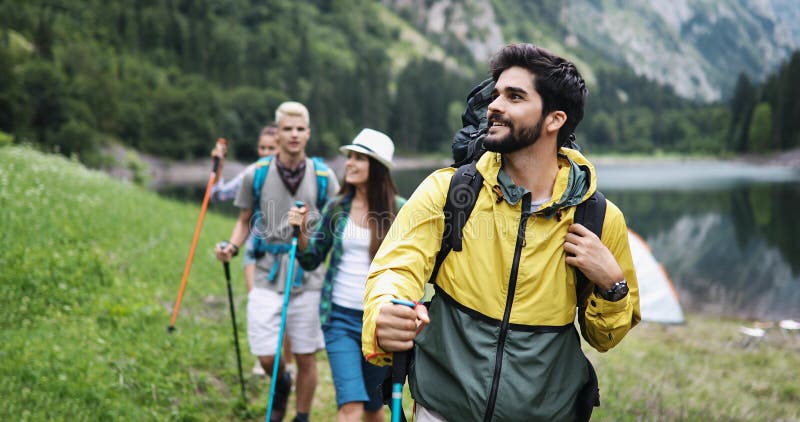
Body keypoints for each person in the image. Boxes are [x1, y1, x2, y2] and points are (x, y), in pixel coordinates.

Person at [361, 43, 641, 421]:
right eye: (496, 95)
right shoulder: (451, 191)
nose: (494, 105)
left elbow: (603, 338)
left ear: (554, 119)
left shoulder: (598, 217)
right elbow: (395, 268)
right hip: (442, 409)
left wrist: (613, 286)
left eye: (514, 96)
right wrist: (385, 309)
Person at [215, 101, 339, 422]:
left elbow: (333, 230)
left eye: (300, 129)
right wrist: (232, 245)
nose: (294, 135)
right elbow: (244, 220)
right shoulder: (256, 174)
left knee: (305, 355)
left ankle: (301, 415)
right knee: (266, 353)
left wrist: (307, 232)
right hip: (267, 272)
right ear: (278, 132)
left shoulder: (324, 176)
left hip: (308, 275)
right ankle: (281, 381)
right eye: (287, 129)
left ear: (308, 134)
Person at [288, 129, 404, 422]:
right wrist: (300, 232)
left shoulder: (401, 211)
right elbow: (311, 259)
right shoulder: (336, 208)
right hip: (338, 317)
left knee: (373, 408)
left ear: (376, 167)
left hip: (379, 323)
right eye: (349, 157)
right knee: (350, 407)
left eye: (358, 158)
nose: (349, 164)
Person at [210, 124, 296, 377]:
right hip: (253, 250)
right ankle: (266, 356)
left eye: (272, 148)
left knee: (286, 309)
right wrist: (218, 164)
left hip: (284, 251)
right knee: (259, 302)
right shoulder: (252, 173)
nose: (266, 152)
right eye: (262, 147)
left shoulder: (292, 175)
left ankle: (287, 363)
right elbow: (218, 194)